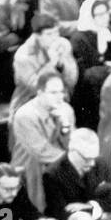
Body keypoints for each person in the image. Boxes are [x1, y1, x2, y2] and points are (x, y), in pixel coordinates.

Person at [10, 67, 77, 210]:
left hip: (57, 169)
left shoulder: (66, 110)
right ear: (40, 93)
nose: (60, 97)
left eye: (61, 92)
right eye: (53, 93)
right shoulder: (25, 115)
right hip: (30, 171)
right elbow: (41, 151)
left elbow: (72, 144)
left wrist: (65, 125)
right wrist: (73, 162)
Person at [11, 12, 78, 114]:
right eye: (49, 34)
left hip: (60, 97)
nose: (55, 38)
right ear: (37, 36)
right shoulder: (23, 56)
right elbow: (35, 88)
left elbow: (72, 79)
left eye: (56, 33)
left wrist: (61, 64)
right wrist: (51, 64)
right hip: (29, 102)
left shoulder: (63, 44)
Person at [42, 127, 107, 220]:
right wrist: (98, 211)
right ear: (72, 151)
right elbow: (64, 215)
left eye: (94, 157)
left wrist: (90, 206)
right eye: (87, 158)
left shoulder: (100, 163)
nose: (92, 163)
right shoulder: (52, 175)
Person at [70, 0, 111, 128]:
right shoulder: (79, 39)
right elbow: (83, 72)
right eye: (99, 15)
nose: (105, 17)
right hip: (90, 90)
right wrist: (108, 67)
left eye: (106, 12)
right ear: (90, 17)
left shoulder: (108, 31)